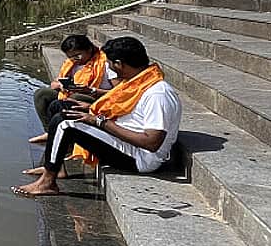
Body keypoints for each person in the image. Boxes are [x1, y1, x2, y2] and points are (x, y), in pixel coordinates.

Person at [13, 36, 182, 198]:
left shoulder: (157, 94)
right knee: (63, 107)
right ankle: (56, 167)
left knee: (65, 123)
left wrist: (99, 121)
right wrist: (91, 109)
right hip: (125, 141)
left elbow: (151, 143)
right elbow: (130, 113)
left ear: (119, 64)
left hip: (140, 157)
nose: (108, 67)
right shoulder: (139, 81)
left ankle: (47, 182)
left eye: (109, 63)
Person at [30, 34, 116, 144]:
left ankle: (70, 136)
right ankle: (50, 131)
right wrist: (60, 85)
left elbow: (119, 92)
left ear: (89, 49)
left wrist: (92, 90)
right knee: (41, 94)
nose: (75, 59)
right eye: (71, 57)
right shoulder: (71, 63)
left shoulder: (105, 63)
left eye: (77, 55)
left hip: (97, 98)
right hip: (70, 94)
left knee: (75, 97)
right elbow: (54, 84)